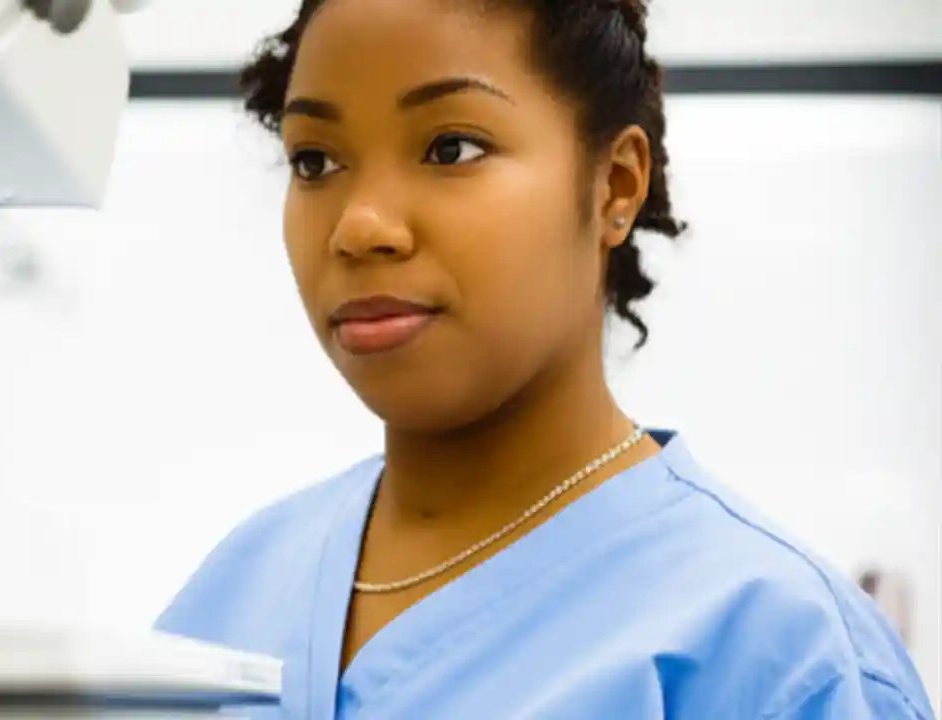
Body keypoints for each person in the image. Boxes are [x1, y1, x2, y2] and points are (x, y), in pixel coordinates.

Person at [155, 0, 936, 717]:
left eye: (450, 148)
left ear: (614, 186)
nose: (359, 227)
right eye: (315, 161)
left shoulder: (780, 655)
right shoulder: (235, 596)